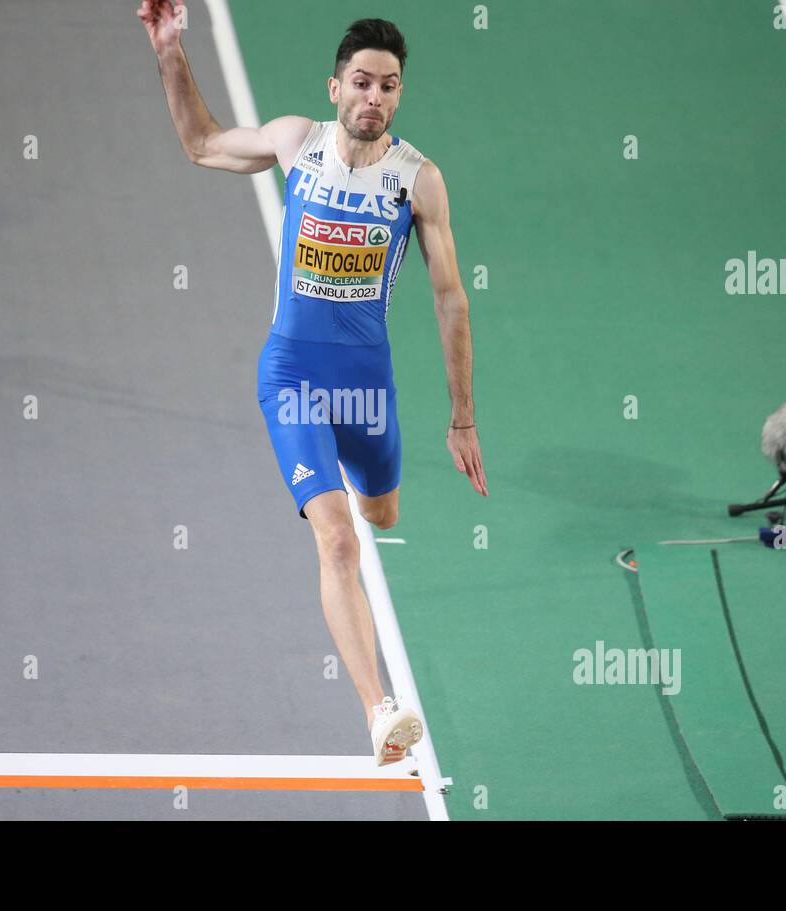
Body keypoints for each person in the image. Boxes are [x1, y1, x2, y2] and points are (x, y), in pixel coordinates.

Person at [138, 1, 486, 765]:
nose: (375, 97)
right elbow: (200, 144)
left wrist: (462, 417)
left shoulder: (418, 181)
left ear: (398, 94)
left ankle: (369, 495)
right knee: (336, 539)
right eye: (361, 82)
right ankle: (378, 709)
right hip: (292, 373)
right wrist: (168, 48)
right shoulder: (297, 143)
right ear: (335, 88)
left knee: (381, 514)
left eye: (389, 86)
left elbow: (451, 296)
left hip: (367, 386)